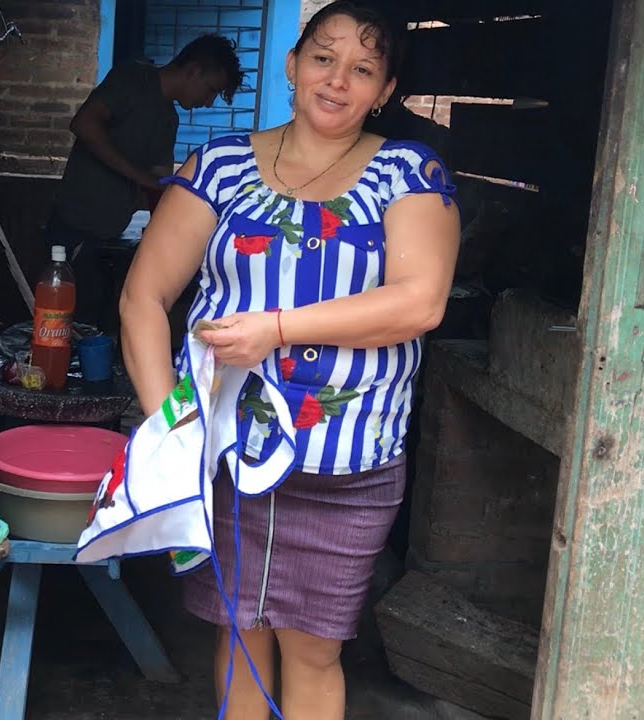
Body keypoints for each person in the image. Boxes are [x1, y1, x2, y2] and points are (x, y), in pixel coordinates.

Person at [118, 2, 460, 718]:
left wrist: (276, 329)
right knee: (238, 633)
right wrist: (169, 431)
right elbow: (143, 298)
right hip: (226, 458)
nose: (337, 80)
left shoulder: (408, 173)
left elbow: (420, 301)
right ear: (292, 64)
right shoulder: (219, 167)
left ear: (386, 91)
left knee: (313, 649)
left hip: (348, 466)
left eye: (362, 69)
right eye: (323, 58)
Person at [46, 34, 247, 331]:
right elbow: (84, 123)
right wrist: (140, 177)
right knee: (56, 321)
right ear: (193, 70)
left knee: (95, 326)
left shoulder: (169, 119)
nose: (208, 102)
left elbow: (159, 183)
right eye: (210, 90)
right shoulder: (132, 78)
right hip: (73, 224)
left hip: (109, 235)